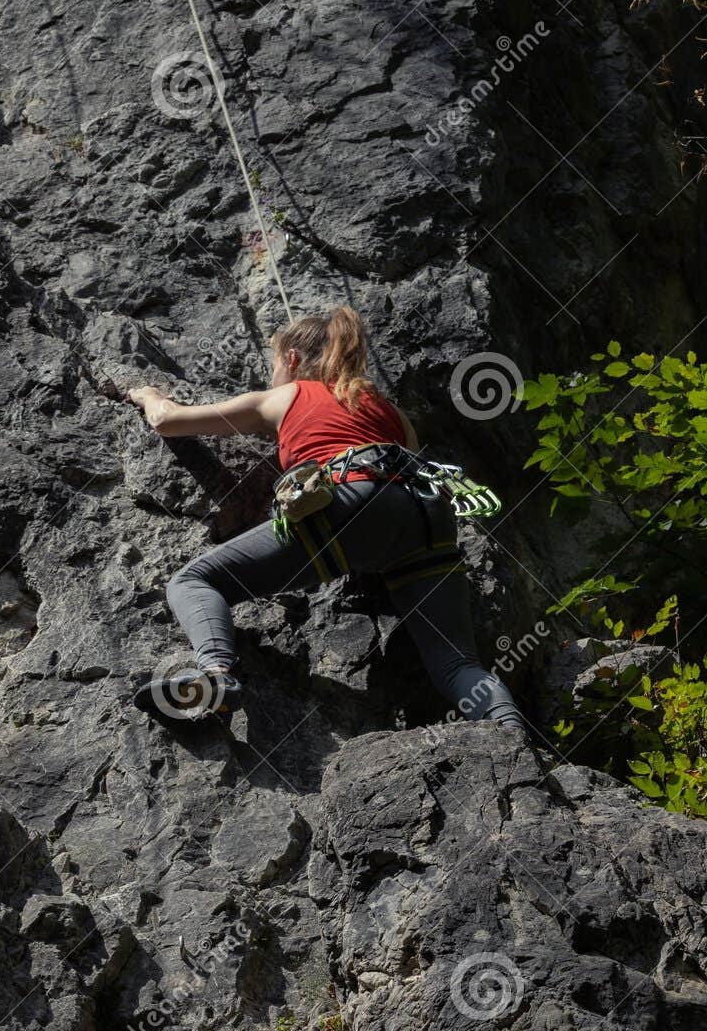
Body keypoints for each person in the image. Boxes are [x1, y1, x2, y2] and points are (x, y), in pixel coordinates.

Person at [125, 305, 524, 731]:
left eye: (276, 363)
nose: (273, 374)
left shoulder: (285, 396)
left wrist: (146, 393)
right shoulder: (390, 411)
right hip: (428, 514)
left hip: (352, 499)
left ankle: (216, 677)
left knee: (193, 581)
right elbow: (408, 459)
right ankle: (510, 728)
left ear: (293, 360)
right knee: (456, 662)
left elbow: (168, 421)